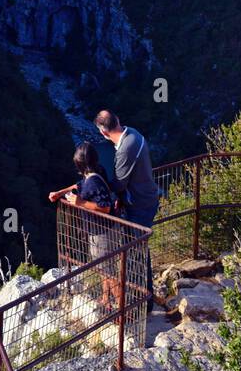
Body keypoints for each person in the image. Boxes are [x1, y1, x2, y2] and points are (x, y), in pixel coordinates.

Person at [95, 109, 163, 306]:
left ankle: (143, 302)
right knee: (137, 251)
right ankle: (142, 297)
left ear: (103, 132)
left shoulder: (126, 148)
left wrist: (96, 186)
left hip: (140, 205)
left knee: (136, 253)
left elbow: (119, 183)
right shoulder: (133, 132)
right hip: (145, 199)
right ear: (118, 120)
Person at [47, 143, 120, 312]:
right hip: (106, 229)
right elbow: (79, 185)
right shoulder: (97, 171)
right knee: (104, 268)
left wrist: (80, 202)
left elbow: (105, 207)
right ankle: (106, 299)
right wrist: (59, 193)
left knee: (108, 271)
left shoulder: (92, 182)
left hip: (101, 232)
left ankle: (122, 308)